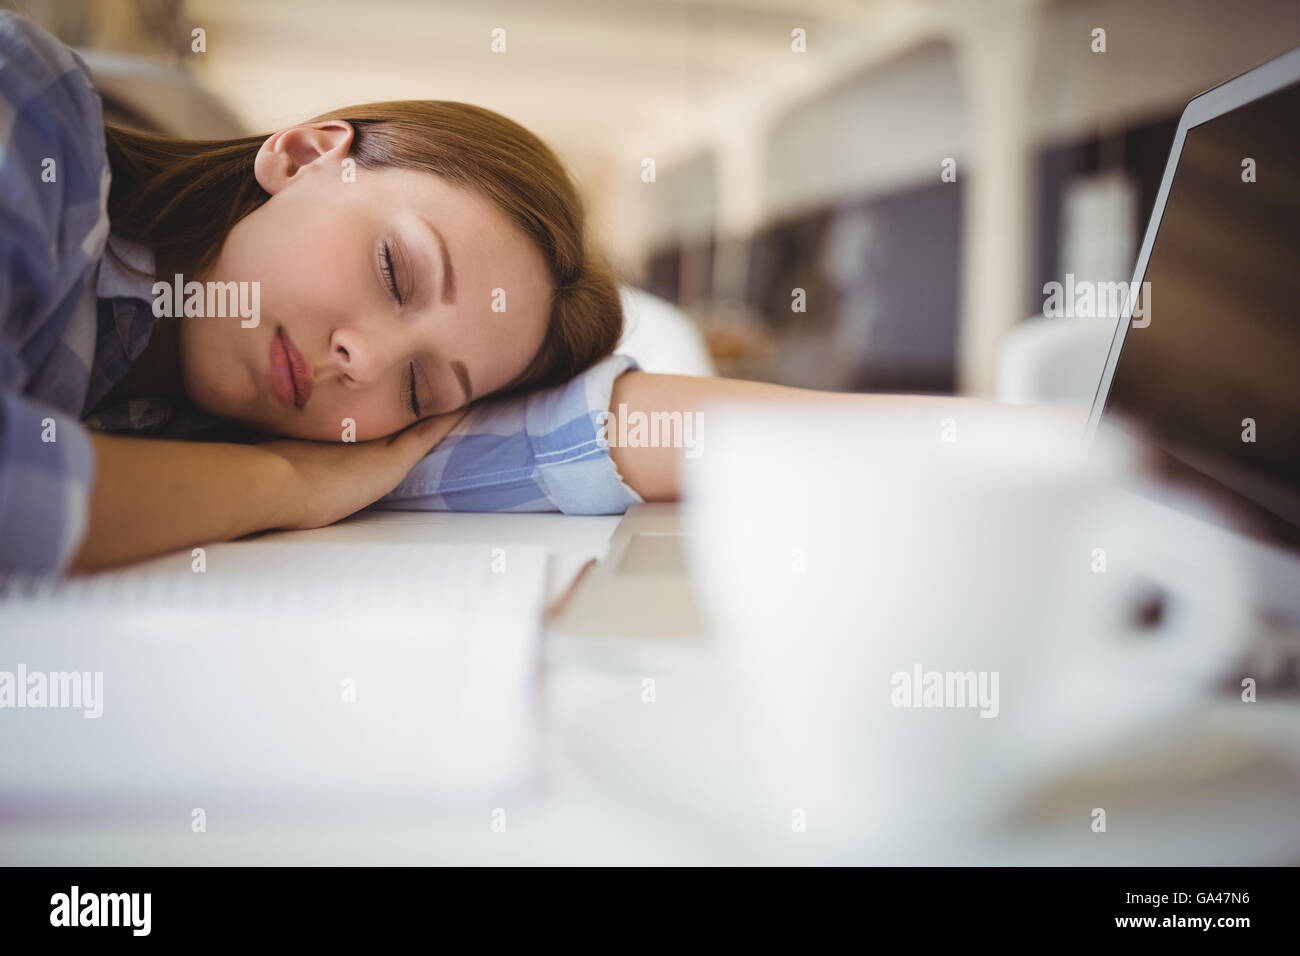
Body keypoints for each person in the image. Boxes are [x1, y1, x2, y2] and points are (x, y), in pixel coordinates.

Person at [1, 11, 1006, 576]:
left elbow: (570, 435)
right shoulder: (27, 111)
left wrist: (1024, 445)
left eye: (425, 389)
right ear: (307, 154)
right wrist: (280, 486)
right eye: (397, 271)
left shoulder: (300, 422)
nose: (364, 366)